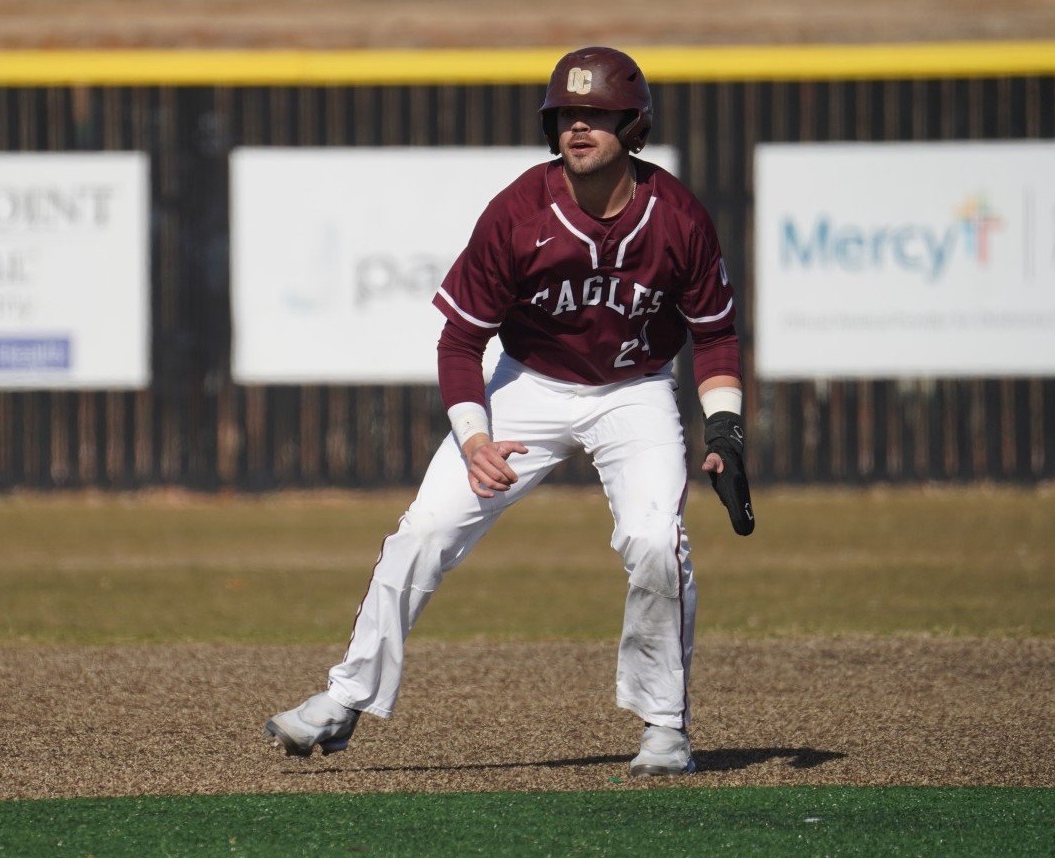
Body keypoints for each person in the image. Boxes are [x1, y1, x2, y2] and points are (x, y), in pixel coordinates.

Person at [265, 46, 755, 776]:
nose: (577, 127)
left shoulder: (676, 216)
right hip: (530, 384)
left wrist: (724, 428)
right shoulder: (520, 211)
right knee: (425, 528)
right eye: (565, 114)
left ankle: (663, 724)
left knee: (656, 541)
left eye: (596, 114)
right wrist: (474, 436)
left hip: (636, 388)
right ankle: (344, 698)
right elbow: (461, 339)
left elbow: (714, 332)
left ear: (634, 126)